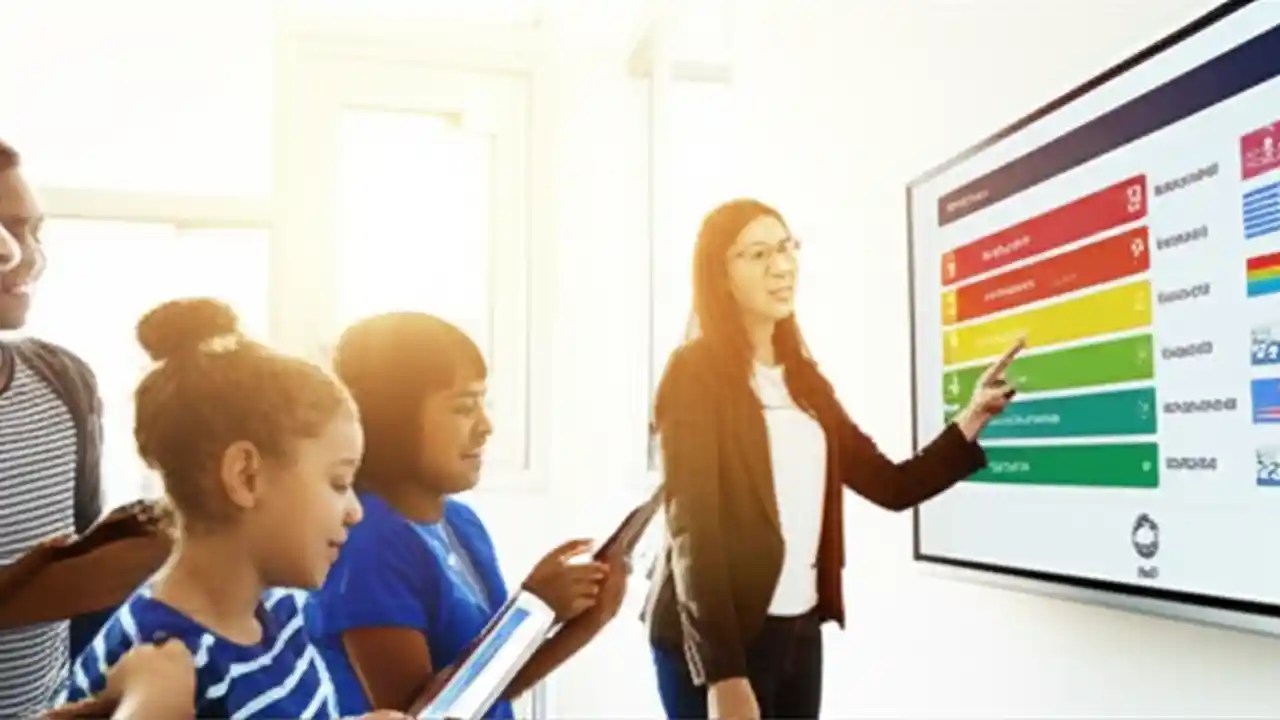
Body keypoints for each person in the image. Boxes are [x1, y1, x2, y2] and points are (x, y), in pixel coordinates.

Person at [643, 199, 1021, 720]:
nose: (780, 265)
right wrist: (725, 675)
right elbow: (693, 532)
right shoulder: (694, 373)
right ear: (720, 275)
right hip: (712, 641)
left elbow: (891, 484)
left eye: (785, 247)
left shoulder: (806, 382)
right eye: (756, 254)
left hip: (798, 632)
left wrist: (972, 417)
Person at [54, 298, 402, 719]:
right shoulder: (164, 662)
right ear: (246, 476)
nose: (355, 511)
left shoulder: (278, 611)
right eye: (339, 483)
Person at [308, 312, 628, 718]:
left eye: (483, 404)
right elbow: (423, 712)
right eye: (463, 408)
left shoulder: (460, 522)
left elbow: (492, 682)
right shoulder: (367, 541)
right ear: (394, 416)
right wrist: (531, 609)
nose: (486, 427)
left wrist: (583, 623)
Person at [0, 137, 170, 717]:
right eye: (2, 233)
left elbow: (75, 580)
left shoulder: (62, 381)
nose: (24, 258)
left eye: (32, 232)